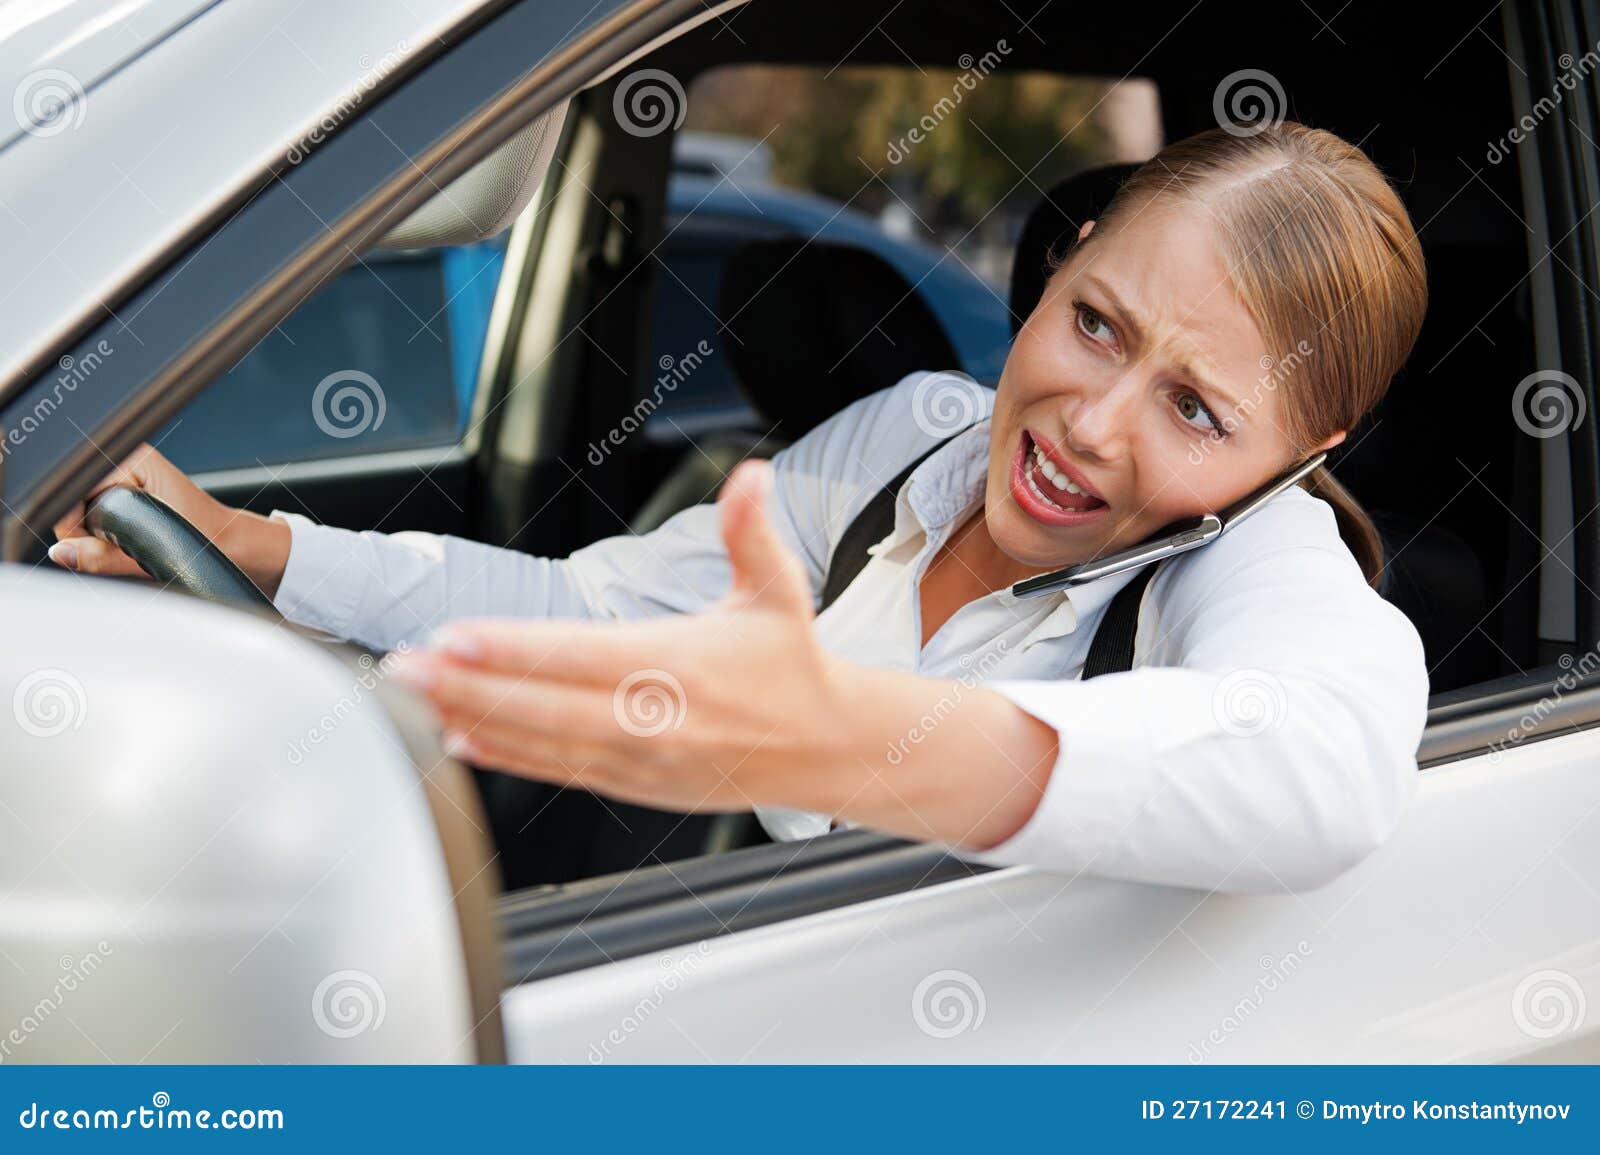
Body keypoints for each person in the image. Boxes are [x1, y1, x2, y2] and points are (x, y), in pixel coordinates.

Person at [50, 120, 1430, 894]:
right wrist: (265, 553)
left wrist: (844, 739)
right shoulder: (917, 440)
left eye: (1196, 411)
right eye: (1096, 323)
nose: (1091, 424)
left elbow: (1328, 764)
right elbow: (584, 608)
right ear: (1058, 264)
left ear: (1305, 450)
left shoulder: (1254, 571)